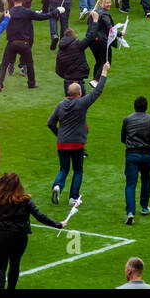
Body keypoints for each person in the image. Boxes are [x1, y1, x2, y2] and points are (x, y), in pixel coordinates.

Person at [0, 172, 65, 290]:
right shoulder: (26, 200)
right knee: (15, 264)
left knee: (0, 267)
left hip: (2, 236)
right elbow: (40, 216)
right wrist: (58, 224)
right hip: (20, 237)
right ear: (18, 185)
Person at [48, 62, 111, 203]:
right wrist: (104, 72)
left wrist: (59, 134)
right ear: (79, 93)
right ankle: (73, 197)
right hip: (77, 143)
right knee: (78, 170)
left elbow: (50, 123)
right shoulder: (82, 103)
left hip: (62, 143)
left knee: (63, 168)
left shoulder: (60, 105)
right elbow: (97, 91)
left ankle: (57, 186)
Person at [120, 95, 150, 225]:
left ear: (134, 107)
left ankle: (130, 212)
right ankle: (144, 207)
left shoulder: (127, 119)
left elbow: (123, 138)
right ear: (146, 107)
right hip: (147, 154)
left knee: (130, 184)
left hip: (132, 154)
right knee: (146, 178)